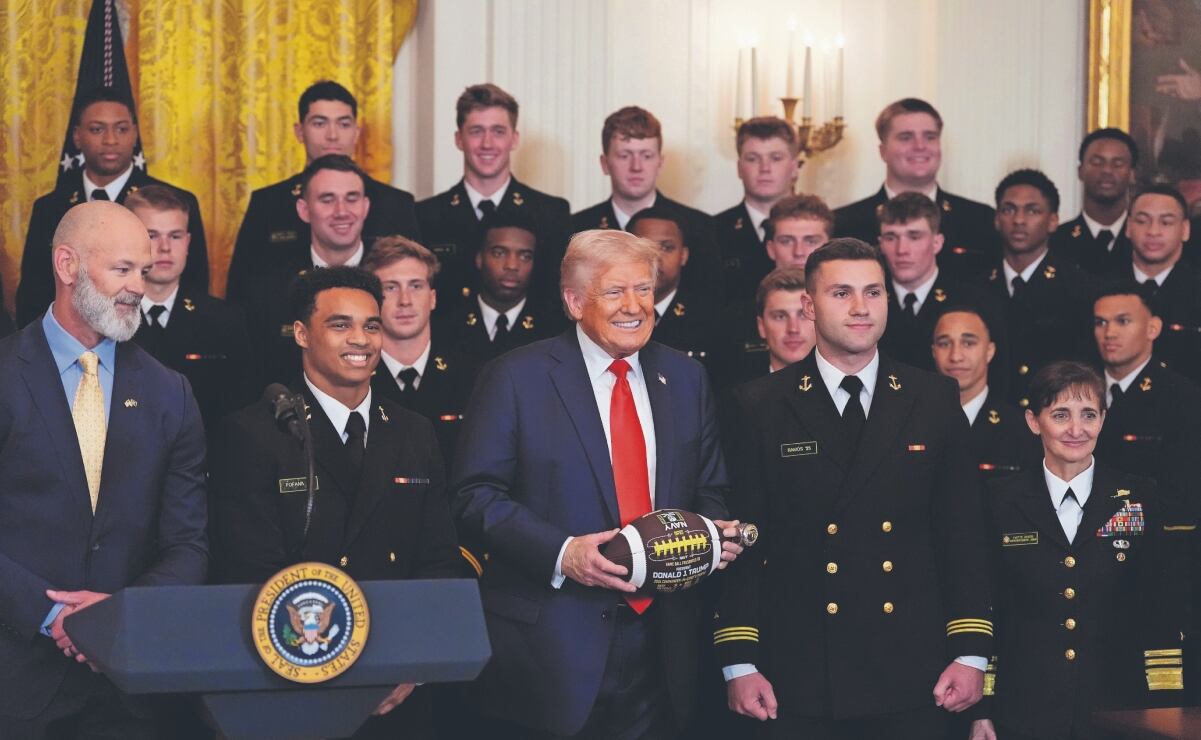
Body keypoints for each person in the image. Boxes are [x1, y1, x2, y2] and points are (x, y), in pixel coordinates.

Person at [451, 229, 744, 738]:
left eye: (644, 289)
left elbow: (709, 489)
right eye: (614, 291)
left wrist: (712, 536)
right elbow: (474, 496)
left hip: (664, 647)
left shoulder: (686, 377)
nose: (634, 305)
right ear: (573, 302)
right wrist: (563, 553)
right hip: (550, 649)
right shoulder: (514, 377)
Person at [717, 238, 992, 738]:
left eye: (874, 292)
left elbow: (962, 535)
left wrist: (971, 651)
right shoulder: (758, 404)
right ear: (809, 306)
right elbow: (744, 542)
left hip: (914, 667)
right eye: (842, 293)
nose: (861, 308)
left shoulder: (932, 397)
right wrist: (739, 659)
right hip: (798, 670)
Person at [208, 266, 460, 739]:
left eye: (371, 325)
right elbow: (247, 571)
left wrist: (411, 667)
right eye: (340, 324)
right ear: (302, 333)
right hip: (294, 681)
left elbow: (439, 562)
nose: (360, 339)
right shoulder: (253, 433)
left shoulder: (414, 432)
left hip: (397, 692)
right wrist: (323, 662)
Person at [0, 201, 208, 737]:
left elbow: (188, 545)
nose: (139, 286)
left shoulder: (171, 393)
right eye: (122, 269)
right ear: (67, 265)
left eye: (144, 270)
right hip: (15, 682)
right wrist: (54, 617)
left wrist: (119, 616)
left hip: (131, 695)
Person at [969, 362, 1185, 740]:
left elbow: (1159, 609)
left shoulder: (1137, 498)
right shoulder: (999, 500)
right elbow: (988, 608)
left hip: (1119, 709)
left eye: (1088, 414)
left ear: (1103, 419)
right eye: (1060, 415)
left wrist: (1165, 705)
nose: (1076, 429)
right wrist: (982, 709)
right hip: (1024, 712)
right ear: (1033, 422)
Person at [18, 87, 209, 327]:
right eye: (97, 129)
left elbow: (195, 288)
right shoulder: (49, 208)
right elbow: (32, 294)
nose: (110, 140)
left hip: (146, 334)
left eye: (121, 129)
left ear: (135, 134)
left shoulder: (177, 202)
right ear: (77, 136)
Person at [226, 80, 420, 301]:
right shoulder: (268, 203)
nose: (333, 135)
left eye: (344, 124)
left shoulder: (396, 203)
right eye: (319, 123)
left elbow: (417, 286)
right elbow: (241, 293)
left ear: (356, 132)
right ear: (300, 132)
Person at [416, 83, 572, 308]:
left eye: (498, 132)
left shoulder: (551, 214)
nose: (487, 144)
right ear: (459, 139)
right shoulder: (425, 216)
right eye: (476, 131)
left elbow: (556, 301)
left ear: (514, 139)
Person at [228, 154, 373, 385]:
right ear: (304, 210)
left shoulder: (393, 281)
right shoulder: (267, 289)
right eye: (327, 199)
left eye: (351, 199)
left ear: (365, 207)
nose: (341, 211)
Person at [126, 185, 255, 438]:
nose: (165, 247)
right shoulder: (105, 321)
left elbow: (241, 412)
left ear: (187, 243)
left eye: (175, 236)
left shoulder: (225, 321)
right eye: (152, 235)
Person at [834, 98, 996, 280]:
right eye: (906, 137)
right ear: (883, 151)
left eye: (930, 137)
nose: (920, 146)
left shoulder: (981, 220)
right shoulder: (842, 225)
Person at [572, 106, 723, 300]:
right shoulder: (577, 229)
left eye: (646, 156)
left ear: (660, 162)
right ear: (605, 163)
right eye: (624, 156)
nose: (636, 167)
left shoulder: (699, 226)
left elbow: (710, 302)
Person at [363, 236, 479, 471]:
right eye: (390, 287)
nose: (405, 301)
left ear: (433, 298)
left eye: (415, 286)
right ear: (371, 301)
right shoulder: (353, 378)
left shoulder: (474, 376)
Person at [982, 169, 1096, 408]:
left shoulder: (1079, 288)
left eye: (1032, 211)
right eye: (1008, 210)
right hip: (989, 417)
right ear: (996, 219)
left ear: (1053, 221)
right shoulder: (977, 283)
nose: (1019, 220)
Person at [877, 192, 1006, 372]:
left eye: (914, 237)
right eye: (891, 238)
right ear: (881, 244)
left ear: (937, 243)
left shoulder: (976, 300)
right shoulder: (868, 301)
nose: (901, 250)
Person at [437, 211, 566, 361]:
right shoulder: (445, 326)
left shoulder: (555, 330)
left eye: (525, 256)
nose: (512, 265)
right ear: (479, 258)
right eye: (499, 253)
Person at [1104, 183, 1201, 381]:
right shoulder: (1100, 286)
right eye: (1142, 221)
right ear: (1128, 227)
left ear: (1185, 229)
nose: (1153, 231)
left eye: (1166, 222)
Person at [932, 306, 1038, 481]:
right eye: (944, 344)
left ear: (990, 351)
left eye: (968, 343)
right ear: (934, 352)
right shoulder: (914, 423)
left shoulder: (1022, 430)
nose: (956, 356)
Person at [715, 117, 800, 305]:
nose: (765, 169)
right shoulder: (711, 232)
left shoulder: (824, 230)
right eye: (753, 159)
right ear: (739, 168)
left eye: (776, 158)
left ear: (794, 168)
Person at [628, 206, 716, 367]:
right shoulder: (607, 312)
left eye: (666, 247)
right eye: (644, 247)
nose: (655, 258)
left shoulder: (712, 320)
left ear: (684, 255)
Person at [1051, 128, 1139, 275]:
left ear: (1132, 174)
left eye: (1117, 164)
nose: (1107, 170)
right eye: (1097, 162)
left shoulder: (1144, 241)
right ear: (1080, 171)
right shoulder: (1054, 241)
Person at [717, 267, 816, 390]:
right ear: (761, 326)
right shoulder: (738, 396)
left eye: (803, 315)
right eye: (780, 317)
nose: (793, 329)